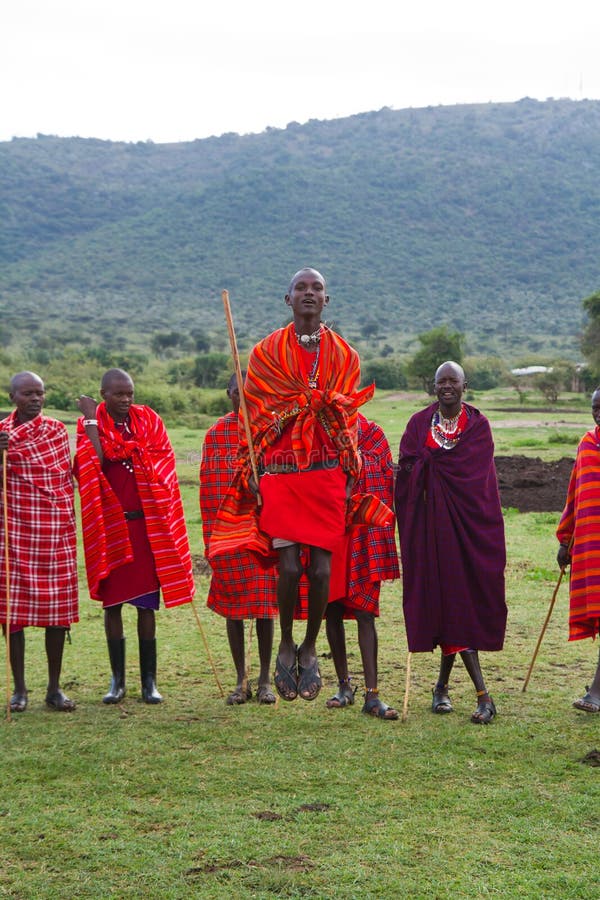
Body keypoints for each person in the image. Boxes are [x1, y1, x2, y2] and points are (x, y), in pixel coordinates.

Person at [208, 267, 392, 703]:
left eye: (317, 288)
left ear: (327, 300)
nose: (309, 294)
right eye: (301, 288)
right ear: (286, 298)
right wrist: (249, 465)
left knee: (324, 569)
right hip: (283, 472)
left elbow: (345, 420)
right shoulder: (266, 353)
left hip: (327, 472)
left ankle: (310, 647)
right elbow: (253, 415)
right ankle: (287, 642)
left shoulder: (345, 356)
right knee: (289, 567)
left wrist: (352, 468)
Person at [395, 361, 506, 724]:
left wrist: (431, 466)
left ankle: (448, 689)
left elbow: (478, 482)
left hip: (467, 531)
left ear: (464, 386)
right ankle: (478, 695)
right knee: (447, 603)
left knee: (458, 602)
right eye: (441, 381)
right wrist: (418, 470)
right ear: (433, 386)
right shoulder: (416, 424)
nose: (447, 387)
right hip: (428, 532)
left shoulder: (478, 427)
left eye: (453, 382)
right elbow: (407, 469)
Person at [75, 368, 194, 704]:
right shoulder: (91, 424)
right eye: (118, 394)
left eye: (130, 393)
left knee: (146, 606)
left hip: (146, 526)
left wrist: (132, 453)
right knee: (112, 606)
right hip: (109, 526)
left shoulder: (148, 421)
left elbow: (163, 464)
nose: (126, 400)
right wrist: (90, 422)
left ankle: (149, 683)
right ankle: (117, 682)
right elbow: (95, 461)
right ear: (103, 395)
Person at [0, 371, 79, 712]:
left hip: (54, 531)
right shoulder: (3, 433)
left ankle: (54, 687)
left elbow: (63, 479)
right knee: (12, 615)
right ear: (13, 396)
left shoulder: (56, 431)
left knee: (56, 614)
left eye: (40, 393)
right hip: (15, 531)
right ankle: (19, 690)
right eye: (28, 393)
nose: (35, 399)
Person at [200, 373, 277, 705]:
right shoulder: (216, 434)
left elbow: (279, 480)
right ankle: (240, 680)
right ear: (228, 394)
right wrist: (214, 536)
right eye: (237, 392)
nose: (244, 398)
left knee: (264, 606)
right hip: (227, 532)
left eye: (251, 393)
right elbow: (209, 489)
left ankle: (264, 681)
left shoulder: (271, 431)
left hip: (261, 530)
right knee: (233, 606)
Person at [325, 413, 400, 719]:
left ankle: (372, 694)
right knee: (330, 608)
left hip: (365, 532)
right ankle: (344, 686)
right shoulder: (321, 433)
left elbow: (387, 486)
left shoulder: (374, 434)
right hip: (331, 530)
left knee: (365, 613)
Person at [556, 387, 600, 712]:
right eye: (595, 408)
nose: (599, 414)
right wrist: (564, 539)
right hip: (590, 550)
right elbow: (575, 493)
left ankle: (596, 693)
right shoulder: (587, 444)